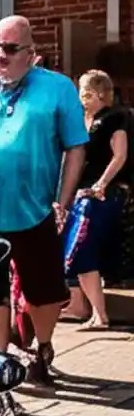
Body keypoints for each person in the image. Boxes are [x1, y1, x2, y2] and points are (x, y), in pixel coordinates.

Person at [0, 15, 90, 382]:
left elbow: (75, 147)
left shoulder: (57, 88)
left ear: (31, 54)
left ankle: (43, 347)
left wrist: (63, 201)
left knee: (44, 290)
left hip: (37, 207)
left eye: (9, 48)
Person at [59, 69, 130, 330]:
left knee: (82, 246)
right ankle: (81, 306)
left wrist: (102, 184)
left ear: (100, 94)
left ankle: (98, 314)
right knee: (75, 247)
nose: (83, 99)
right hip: (82, 193)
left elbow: (120, 154)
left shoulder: (114, 118)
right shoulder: (82, 121)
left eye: (87, 94)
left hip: (101, 194)